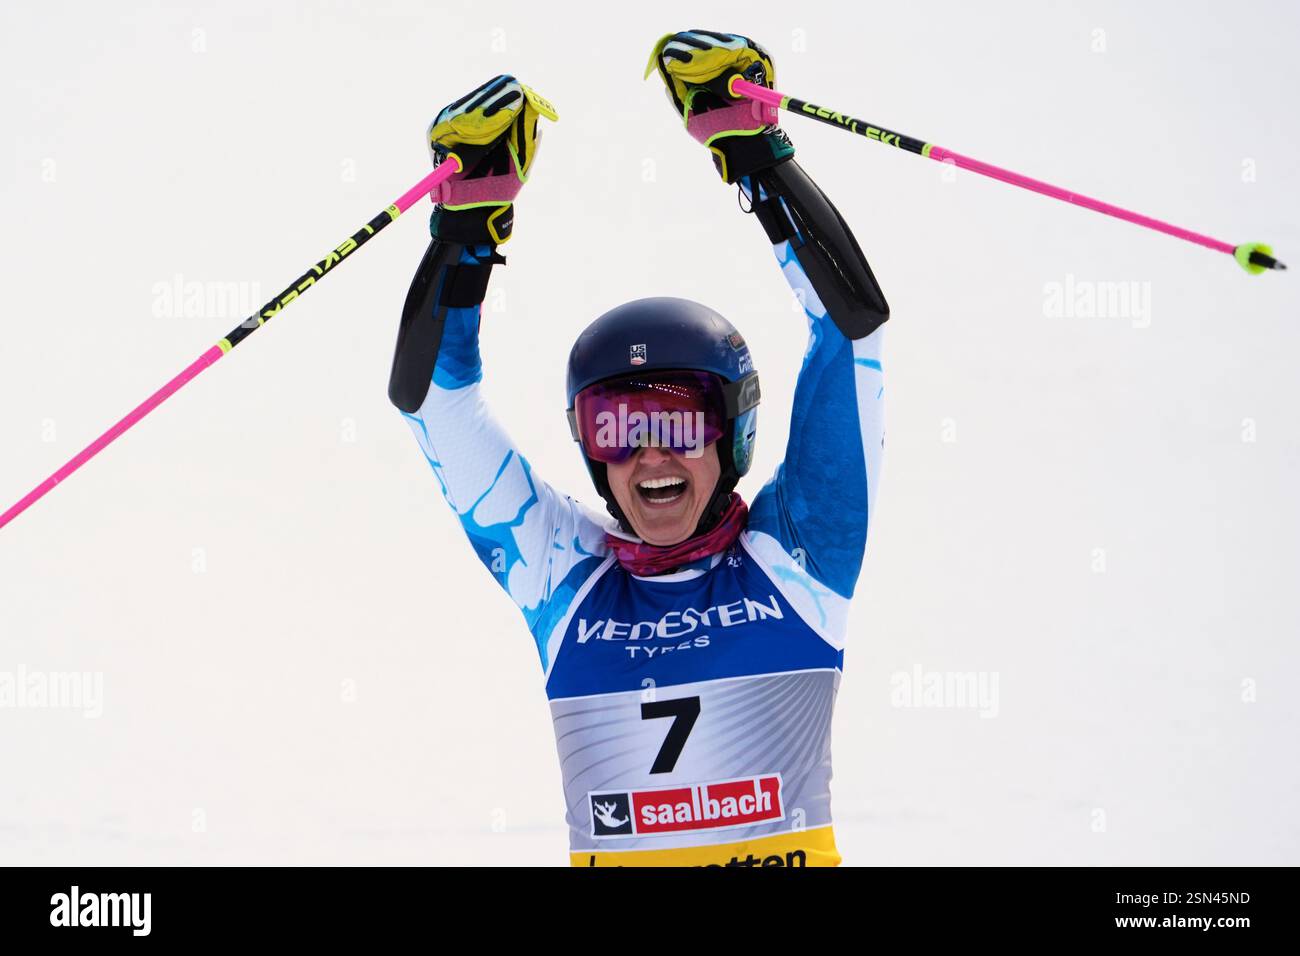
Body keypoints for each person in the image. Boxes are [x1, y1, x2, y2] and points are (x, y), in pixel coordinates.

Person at [388, 31, 889, 867]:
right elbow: (434, 403)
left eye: (680, 427)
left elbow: (849, 328)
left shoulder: (798, 554)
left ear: (732, 434)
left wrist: (758, 155)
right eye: (618, 431)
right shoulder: (565, 575)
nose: (650, 461)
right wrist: (464, 232)